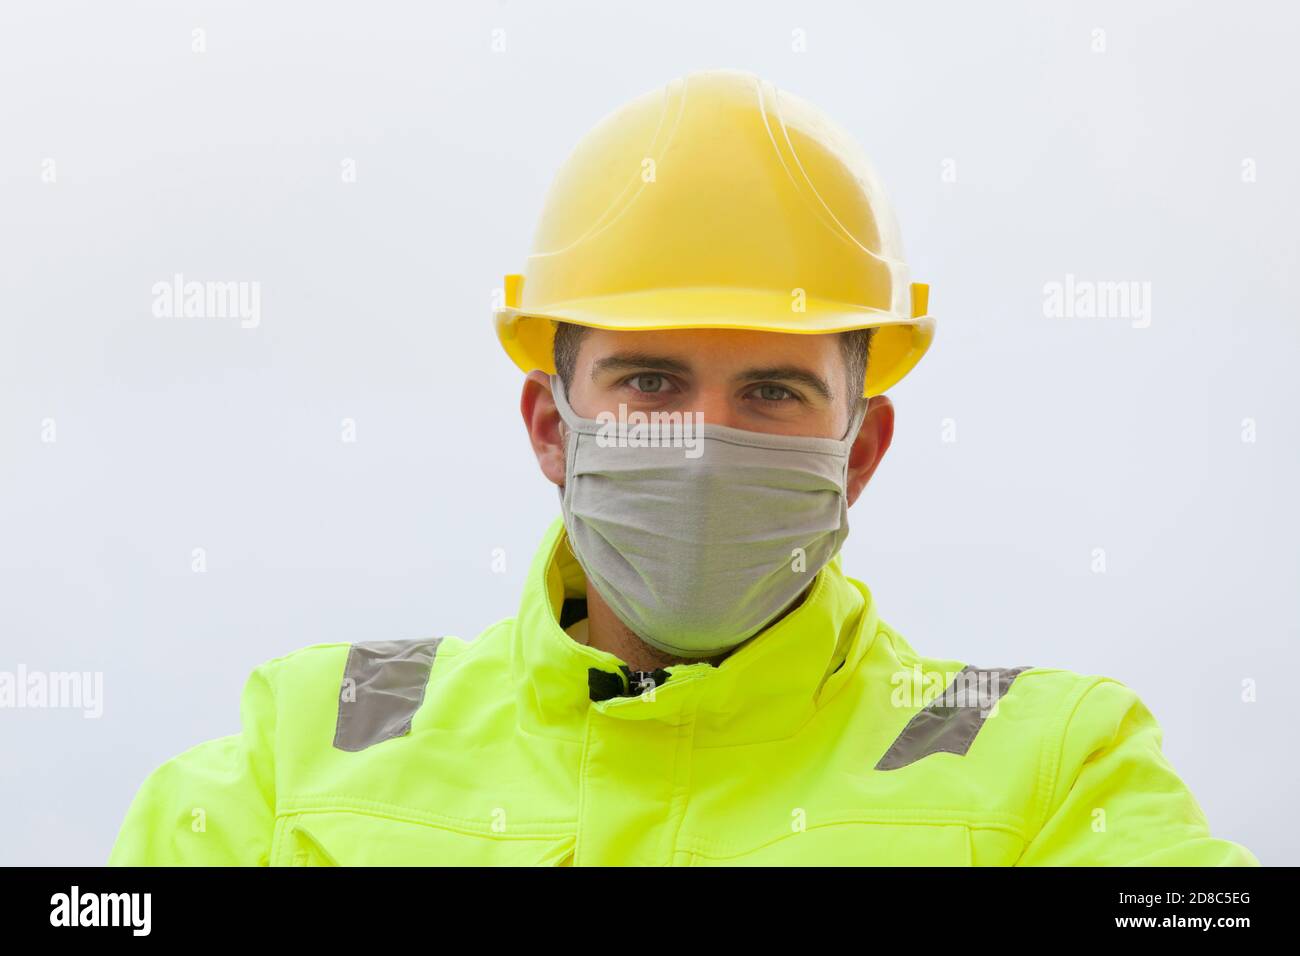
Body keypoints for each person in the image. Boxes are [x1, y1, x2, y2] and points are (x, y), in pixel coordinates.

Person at [109, 69, 1258, 866]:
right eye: (651, 383)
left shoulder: (1048, 764)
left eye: (771, 391)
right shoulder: (307, 743)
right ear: (549, 425)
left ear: (857, 451)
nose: (704, 440)